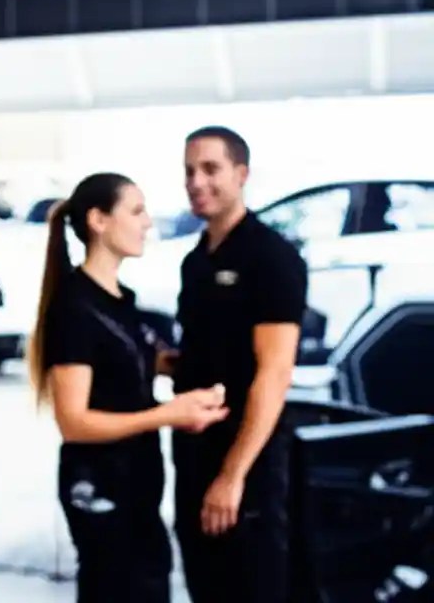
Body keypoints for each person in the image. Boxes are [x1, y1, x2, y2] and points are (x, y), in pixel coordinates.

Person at [27, 172, 230, 603]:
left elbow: (129, 366)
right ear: (99, 220)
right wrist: (169, 414)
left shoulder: (120, 301)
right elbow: (74, 422)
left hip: (138, 482)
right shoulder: (76, 308)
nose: (148, 223)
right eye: (136, 211)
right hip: (99, 486)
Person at [170, 126, 308, 603]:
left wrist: (233, 475)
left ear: (242, 174)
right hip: (192, 457)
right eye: (189, 170)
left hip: (246, 463)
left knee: (250, 587)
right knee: (204, 586)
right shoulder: (195, 262)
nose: (196, 181)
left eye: (210, 169)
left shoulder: (272, 258)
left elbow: (274, 375)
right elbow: (204, 355)